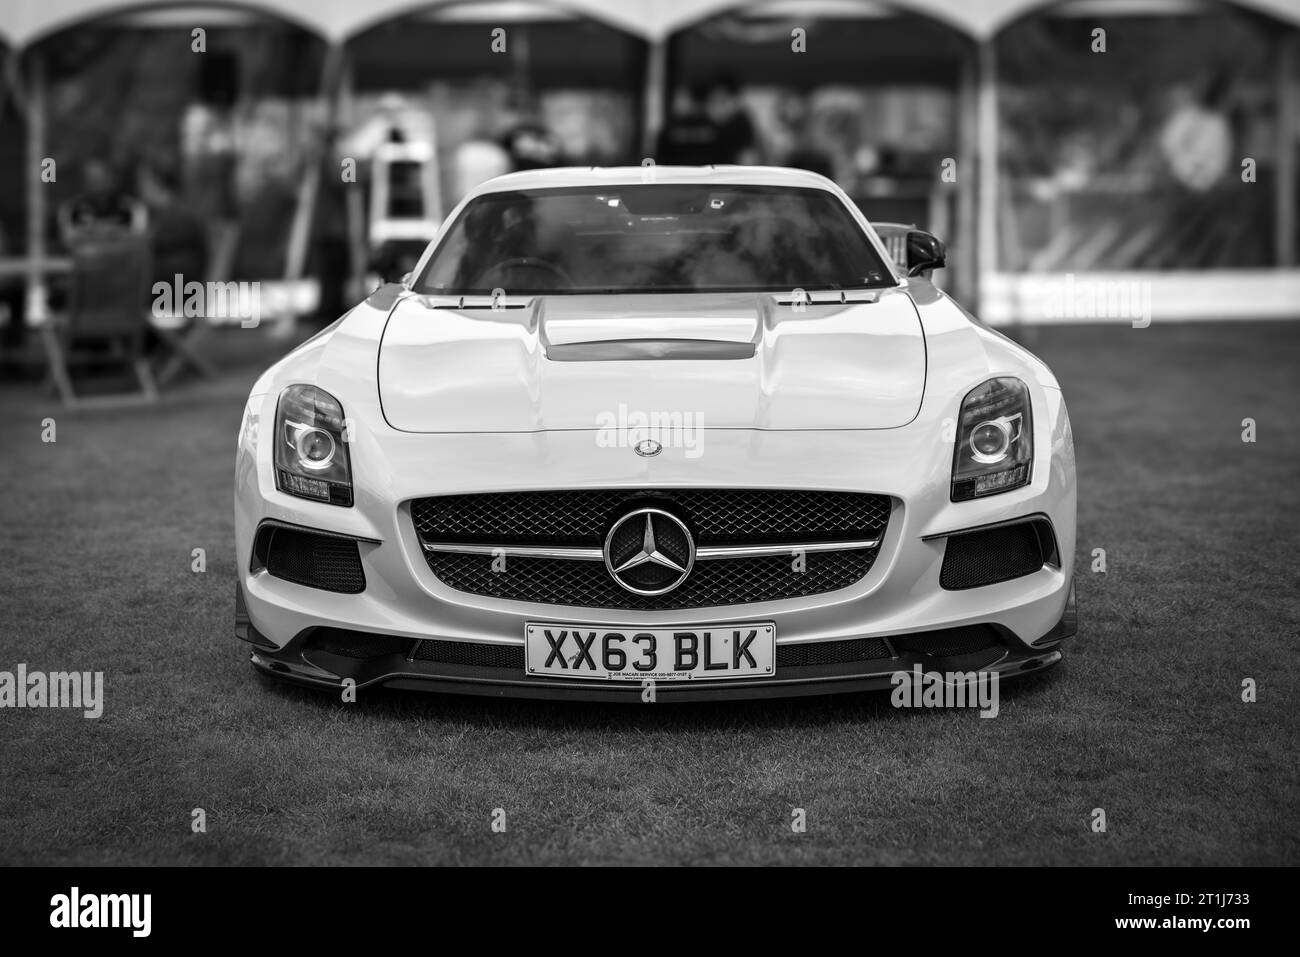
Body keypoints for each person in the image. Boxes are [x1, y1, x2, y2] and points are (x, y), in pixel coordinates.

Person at [57, 159, 148, 246]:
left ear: (113, 179)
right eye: (91, 178)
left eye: (100, 177)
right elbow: (69, 240)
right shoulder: (71, 208)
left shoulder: (133, 207)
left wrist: (93, 232)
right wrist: (111, 232)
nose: (96, 183)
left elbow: (138, 238)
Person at [656, 85, 723, 165]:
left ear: (692, 100)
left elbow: (720, 154)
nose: (677, 102)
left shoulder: (711, 126)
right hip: (677, 173)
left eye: (682, 98)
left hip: (705, 173)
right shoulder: (671, 128)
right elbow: (661, 155)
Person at [704, 75, 761, 165]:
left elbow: (748, 161)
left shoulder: (742, 124)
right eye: (713, 101)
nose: (717, 107)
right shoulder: (703, 123)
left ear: (735, 101)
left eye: (722, 101)